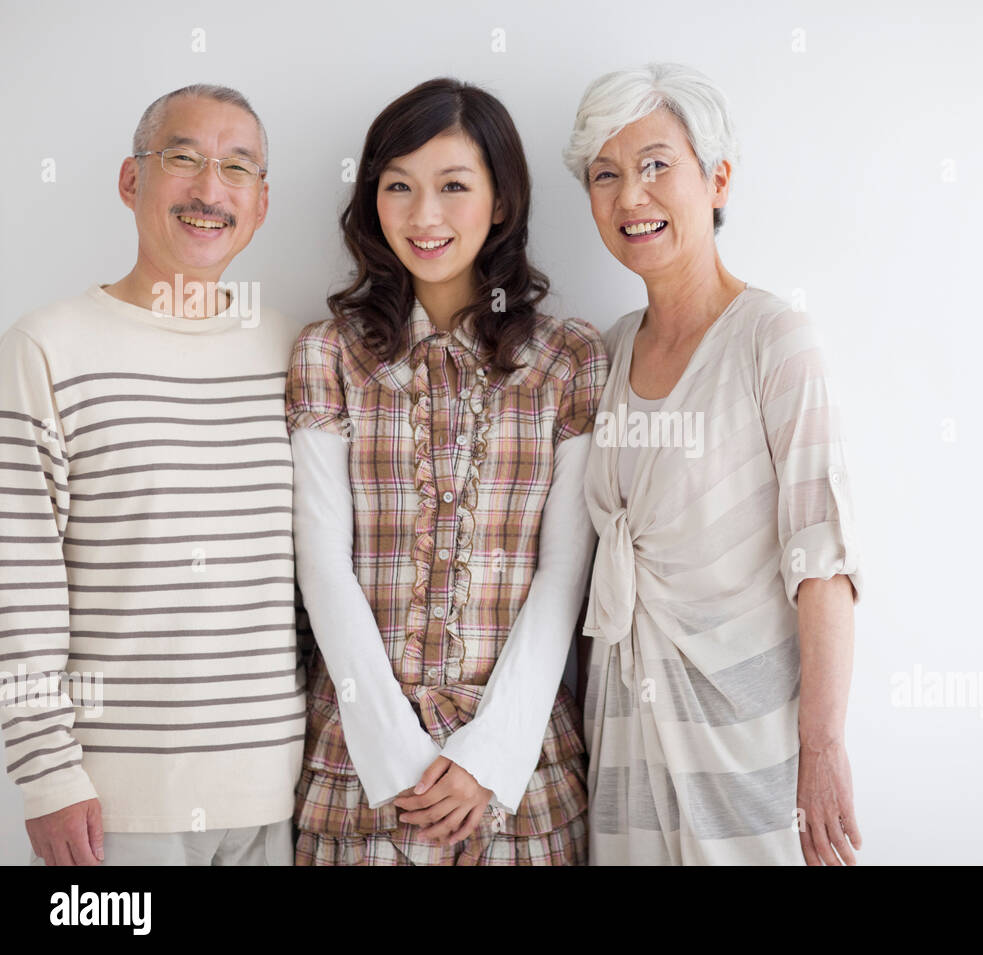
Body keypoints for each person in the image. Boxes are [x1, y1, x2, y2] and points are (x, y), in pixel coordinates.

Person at [287, 78, 606, 865]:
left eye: (453, 186)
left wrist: (485, 756)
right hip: (360, 771)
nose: (424, 215)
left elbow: (563, 574)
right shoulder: (328, 354)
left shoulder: (568, 358)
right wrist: (397, 757)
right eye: (398, 186)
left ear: (501, 201)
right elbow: (322, 568)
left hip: (517, 775)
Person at [564, 63, 865, 865]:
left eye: (657, 165)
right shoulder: (607, 350)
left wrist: (824, 750)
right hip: (623, 739)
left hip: (749, 745)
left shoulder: (773, 338)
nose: (632, 197)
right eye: (607, 175)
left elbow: (821, 557)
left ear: (717, 178)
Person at [0, 84, 306, 866]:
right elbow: (18, 580)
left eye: (237, 168)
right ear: (132, 181)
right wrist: (45, 775)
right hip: (111, 811)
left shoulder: (295, 354)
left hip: (279, 797)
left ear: (262, 203)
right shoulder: (45, 348)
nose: (210, 189)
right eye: (183, 158)